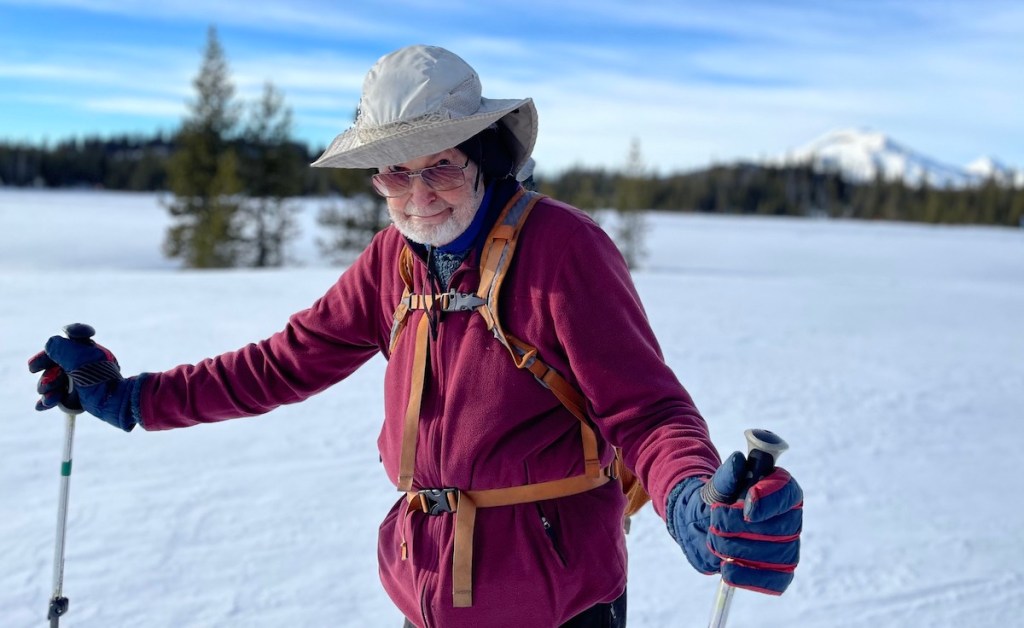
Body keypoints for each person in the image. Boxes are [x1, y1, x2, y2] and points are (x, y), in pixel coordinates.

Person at [29, 45, 802, 627]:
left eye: (441, 167)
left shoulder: (564, 249)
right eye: (394, 173)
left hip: (556, 606)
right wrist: (131, 398)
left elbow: (648, 413)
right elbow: (283, 362)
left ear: (485, 158)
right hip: (427, 596)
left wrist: (693, 500)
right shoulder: (392, 261)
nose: (417, 194)